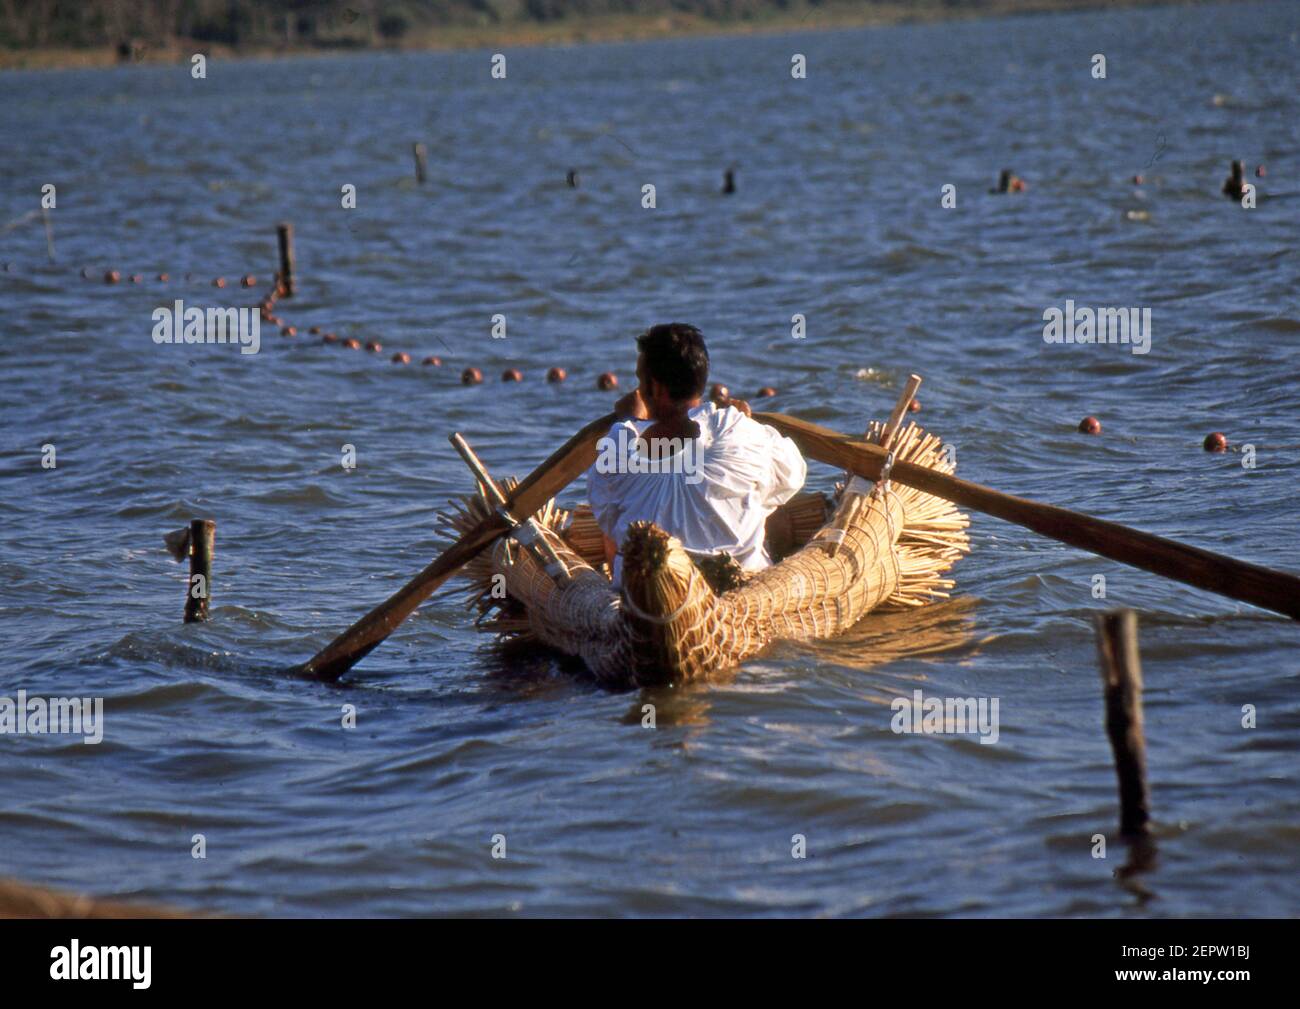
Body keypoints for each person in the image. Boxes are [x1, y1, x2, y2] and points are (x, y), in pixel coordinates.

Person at [587, 323, 806, 585]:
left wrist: (630, 421)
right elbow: (792, 475)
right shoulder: (736, 428)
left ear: (655, 388)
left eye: (640, 380)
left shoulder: (620, 441)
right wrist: (746, 423)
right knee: (761, 500)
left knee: (615, 528)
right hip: (737, 582)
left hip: (650, 591)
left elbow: (606, 516)